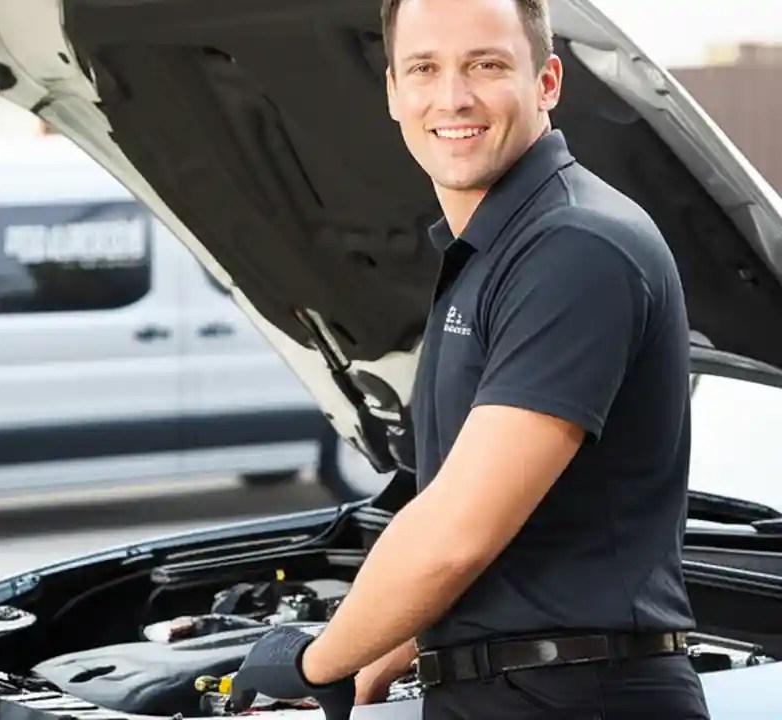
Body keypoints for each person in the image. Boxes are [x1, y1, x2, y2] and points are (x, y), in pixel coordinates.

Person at [227, 0, 711, 717]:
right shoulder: (499, 249)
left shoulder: (576, 247)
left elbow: (457, 535)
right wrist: (368, 658)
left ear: (546, 82)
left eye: (485, 65)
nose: (453, 97)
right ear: (393, 91)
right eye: (425, 68)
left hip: (578, 696)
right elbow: (485, 536)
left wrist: (310, 661)